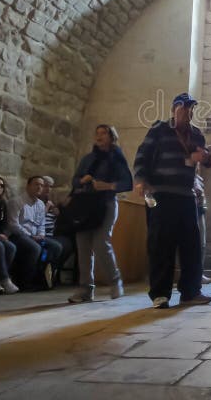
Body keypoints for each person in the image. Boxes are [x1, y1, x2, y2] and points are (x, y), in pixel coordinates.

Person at [134, 92, 211, 309]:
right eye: (183, 108)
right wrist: (140, 179)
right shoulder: (159, 130)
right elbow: (142, 155)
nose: (187, 113)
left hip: (186, 195)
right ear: (173, 109)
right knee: (161, 245)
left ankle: (190, 292)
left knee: (191, 245)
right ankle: (160, 294)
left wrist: (205, 157)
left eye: (190, 109)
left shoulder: (196, 134)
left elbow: (208, 159)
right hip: (161, 195)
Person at [69, 125, 133, 303]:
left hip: (106, 203)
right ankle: (85, 289)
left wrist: (108, 185)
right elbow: (75, 180)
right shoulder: (88, 159)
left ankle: (115, 281)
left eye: (103, 133)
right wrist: (82, 180)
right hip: (85, 204)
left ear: (112, 137)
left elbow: (127, 182)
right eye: (96, 133)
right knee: (82, 245)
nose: (99, 136)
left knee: (101, 242)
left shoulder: (117, 158)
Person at [7, 176, 63, 290]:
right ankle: (25, 282)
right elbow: (13, 225)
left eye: (41, 185)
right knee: (35, 248)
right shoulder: (16, 202)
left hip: (35, 236)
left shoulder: (40, 204)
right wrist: (31, 236)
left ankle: (43, 279)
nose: (39, 187)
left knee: (56, 246)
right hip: (19, 235)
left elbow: (41, 224)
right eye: (36, 184)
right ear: (28, 186)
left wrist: (41, 235)